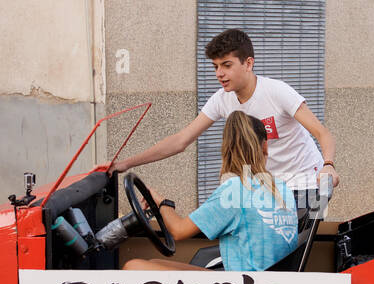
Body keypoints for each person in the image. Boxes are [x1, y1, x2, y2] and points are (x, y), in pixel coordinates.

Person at [112, 28, 339, 192]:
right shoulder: (222, 100)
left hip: (307, 182)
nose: (219, 73)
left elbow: (322, 133)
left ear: (248, 64)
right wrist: (125, 164)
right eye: (216, 66)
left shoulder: (277, 91)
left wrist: (328, 166)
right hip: (269, 185)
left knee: (293, 249)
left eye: (226, 65)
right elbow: (181, 140)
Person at [123, 113, 297, 272]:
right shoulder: (282, 188)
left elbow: (178, 231)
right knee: (153, 263)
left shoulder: (235, 190)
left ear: (225, 149)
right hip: (272, 283)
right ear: (265, 146)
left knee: (133, 267)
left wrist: (160, 203)